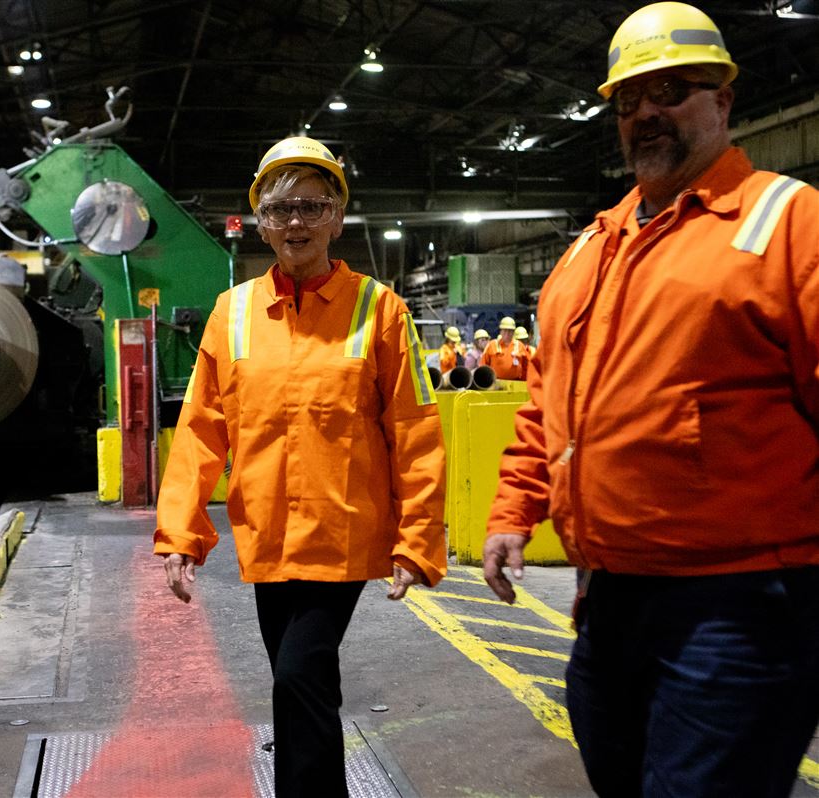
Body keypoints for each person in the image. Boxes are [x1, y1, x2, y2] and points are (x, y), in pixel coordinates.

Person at [482, 3, 819, 796]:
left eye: (670, 92)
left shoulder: (786, 223)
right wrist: (510, 514)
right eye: (629, 101)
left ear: (723, 101)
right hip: (606, 600)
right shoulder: (590, 251)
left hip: (740, 608)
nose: (646, 115)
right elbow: (547, 409)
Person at [154, 135, 447, 797]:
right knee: (304, 686)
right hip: (266, 540)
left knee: (298, 676)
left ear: (337, 219)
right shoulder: (233, 315)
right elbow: (201, 430)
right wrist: (181, 531)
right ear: (259, 220)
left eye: (313, 207)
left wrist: (418, 539)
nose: (296, 223)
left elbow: (415, 430)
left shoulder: (380, 311)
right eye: (281, 208)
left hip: (343, 539)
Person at [480, 316, 529, 380]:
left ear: (513, 332)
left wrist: (525, 382)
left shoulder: (520, 346)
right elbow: (483, 366)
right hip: (496, 383)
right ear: (500, 331)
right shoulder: (491, 345)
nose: (507, 333)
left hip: (516, 382)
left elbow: (527, 366)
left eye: (510, 331)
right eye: (505, 330)